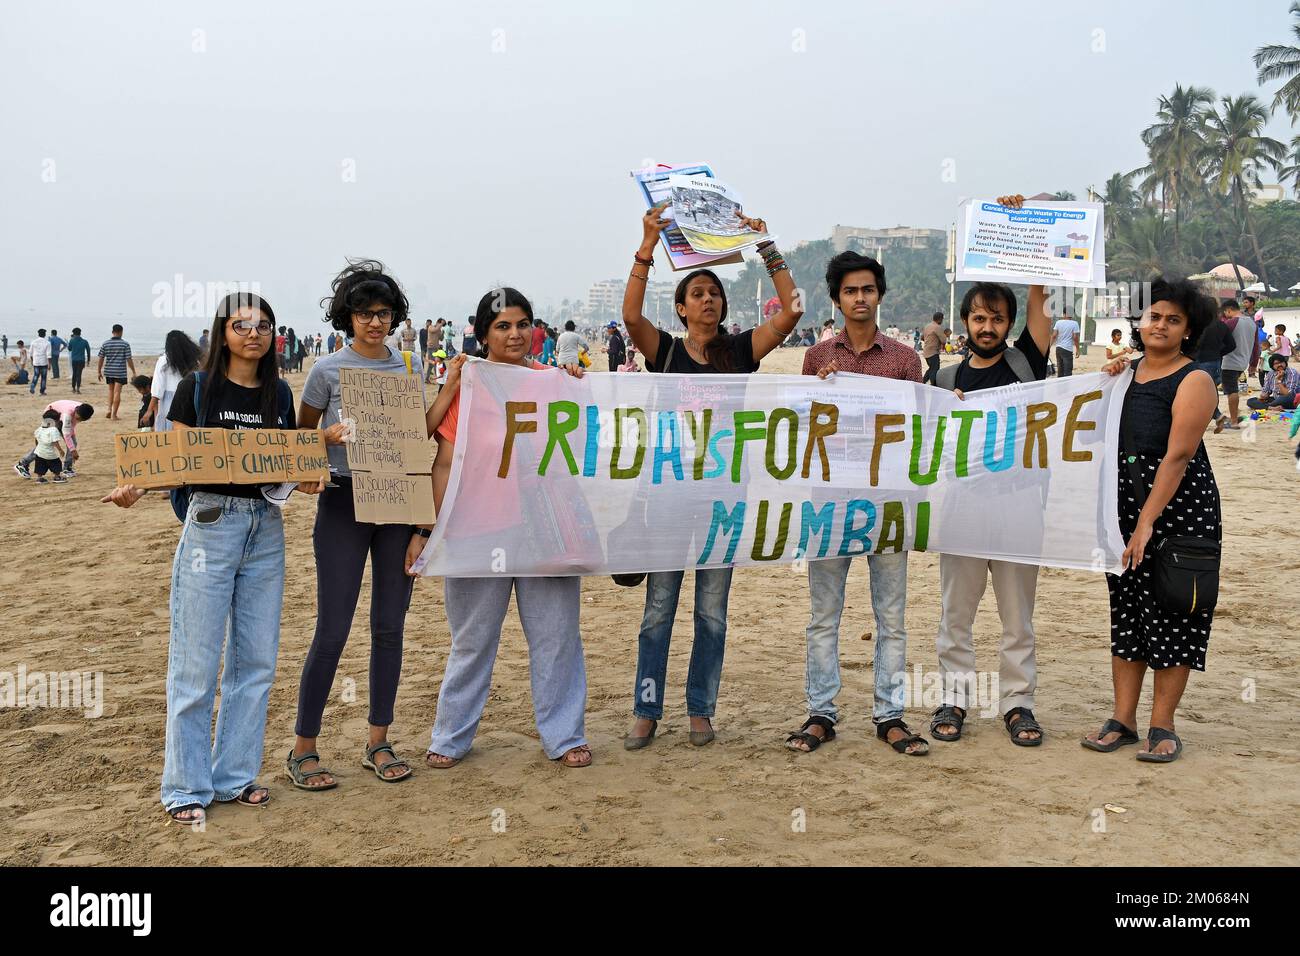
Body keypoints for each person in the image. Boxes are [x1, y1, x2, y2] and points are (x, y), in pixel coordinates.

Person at [102, 292, 319, 824]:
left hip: (265, 529)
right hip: (210, 525)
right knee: (195, 663)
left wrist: (308, 475)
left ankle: (234, 776)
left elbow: (281, 464)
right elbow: (173, 462)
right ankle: (185, 786)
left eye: (264, 325)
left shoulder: (279, 392)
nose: (255, 333)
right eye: (242, 324)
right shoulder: (196, 389)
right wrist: (137, 487)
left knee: (256, 662)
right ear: (222, 331)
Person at [621, 201, 803, 749]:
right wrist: (647, 245)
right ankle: (646, 710)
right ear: (680, 308)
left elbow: (792, 311)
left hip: (724, 503)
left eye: (714, 293)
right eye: (697, 293)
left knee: (712, 615)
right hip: (667, 504)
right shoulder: (668, 354)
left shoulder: (740, 352)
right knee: (658, 612)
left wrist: (767, 245)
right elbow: (631, 319)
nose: (708, 299)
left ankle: (700, 709)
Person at [408, 287, 592, 769]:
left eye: (522, 323)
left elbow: (588, 447)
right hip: (477, 529)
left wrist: (577, 381)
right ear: (483, 334)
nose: (515, 334)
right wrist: (428, 531)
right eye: (502, 326)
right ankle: (450, 736)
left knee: (557, 637)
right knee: (472, 640)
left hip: (546, 529)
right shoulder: (469, 385)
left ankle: (564, 734)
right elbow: (444, 463)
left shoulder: (555, 382)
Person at [287, 261, 424, 792]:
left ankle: (378, 740)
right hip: (343, 504)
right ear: (348, 316)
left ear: (395, 317)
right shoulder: (326, 370)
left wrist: (453, 379)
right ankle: (304, 749)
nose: (375, 322)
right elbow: (301, 439)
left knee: (390, 626)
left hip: (397, 506)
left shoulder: (408, 368)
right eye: (365, 313)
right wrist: (328, 442)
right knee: (333, 628)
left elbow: (420, 434)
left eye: (384, 313)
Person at [786, 251, 927, 757]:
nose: (860, 298)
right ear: (838, 299)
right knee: (824, 614)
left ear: (879, 295)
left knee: (891, 617)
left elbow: (922, 427)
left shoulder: (906, 360)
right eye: (850, 291)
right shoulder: (816, 359)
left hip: (888, 500)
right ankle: (821, 712)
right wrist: (815, 393)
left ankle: (889, 715)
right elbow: (800, 429)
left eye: (868, 289)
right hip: (829, 498)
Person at [930, 194, 1053, 748]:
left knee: (1016, 617)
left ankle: (1017, 704)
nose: (988, 325)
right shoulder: (943, 377)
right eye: (978, 317)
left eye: (996, 318)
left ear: (1008, 323)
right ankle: (954, 699)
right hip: (962, 509)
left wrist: (1023, 226)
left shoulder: (1027, 361)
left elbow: (1039, 304)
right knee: (956, 614)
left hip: (1020, 506)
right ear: (965, 322)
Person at [1083, 278, 1219, 763]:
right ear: (1140, 321)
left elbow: (1178, 456)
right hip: (1123, 508)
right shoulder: (1121, 375)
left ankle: (1163, 726)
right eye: (1154, 316)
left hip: (1180, 513)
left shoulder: (1196, 379)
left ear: (1188, 330)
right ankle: (1122, 719)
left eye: (1173, 319)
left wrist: (1145, 524)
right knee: (1127, 613)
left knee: (1176, 610)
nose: (1161, 325)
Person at [14, 400, 94, 479]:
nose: (79, 420)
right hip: (51, 416)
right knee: (45, 445)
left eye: (82, 420)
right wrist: (73, 450)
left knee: (72, 442)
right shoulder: (67, 414)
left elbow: (71, 425)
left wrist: (72, 447)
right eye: (78, 418)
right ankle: (22, 464)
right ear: (76, 411)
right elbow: (66, 434)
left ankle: (67, 468)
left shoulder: (84, 410)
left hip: (61, 417)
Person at [148, 331, 203, 433]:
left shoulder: (164, 360)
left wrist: (149, 410)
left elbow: (157, 389)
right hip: (190, 397)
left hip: (169, 402)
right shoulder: (194, 360)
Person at [1190, 307, 1234, 433]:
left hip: (1200, 361)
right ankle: (1215, 416)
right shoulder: (1222, 325)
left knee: (1200, 393)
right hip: (1216, 363)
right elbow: (1232, 345)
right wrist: (1219, 354)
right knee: (1210, 392)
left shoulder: (1198, 325)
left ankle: (1217, 416)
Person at [1219, 299, 1254, 430]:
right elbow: (1255, 345)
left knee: (1231, 391)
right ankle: (1234, 414)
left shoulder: (1232, 322)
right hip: (1243, 362)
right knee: (1232, 389)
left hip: (1230, 361)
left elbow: (1220, 335)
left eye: (1225, 313)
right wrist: (1253, 364)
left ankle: (1233, 421)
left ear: (1229, 310)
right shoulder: (1251, 322)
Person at [97, 324, 135, 420]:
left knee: (110, 390)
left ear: (112, 332)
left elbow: (101, 358)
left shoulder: (105, 343)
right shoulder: (125, 344)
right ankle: (114, 415)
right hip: (120, 371)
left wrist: (99, 371)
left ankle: (109, 409)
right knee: (117, 392)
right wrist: (133, 371)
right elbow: (129, 359)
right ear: (121, 332)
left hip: (109, 371)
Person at [29, 412, 69, 484]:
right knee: (56, 463)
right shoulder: (54, 430)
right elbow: (55, 442)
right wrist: (60, 450)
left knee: (40, 464)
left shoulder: (39, 429)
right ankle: (57, 477)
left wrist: (38, 447)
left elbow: (36, 438)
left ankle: (39, 478)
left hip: (40, 452)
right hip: (49, 453)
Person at [1052, 309, 1080, 377]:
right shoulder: (1074, 323)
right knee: (1068, 372)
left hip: (1058, 348)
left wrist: (1049, 346)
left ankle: (1060, 386)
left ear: (1064, 314)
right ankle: (1066, 387)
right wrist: (1078, 349)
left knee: (1060, 370)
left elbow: (1054, 336)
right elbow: (1075, 338)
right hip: (1067, 349)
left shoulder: (1058, 322)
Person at [921, 312, 945, 385]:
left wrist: (929, 341)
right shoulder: (937, 327)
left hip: (926, 352)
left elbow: (922, 337)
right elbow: (943, 340)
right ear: (940, 319)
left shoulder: (927, 326)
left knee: (931, 368)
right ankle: (934, 385)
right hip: (933, 352)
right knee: (935, 370)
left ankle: (922, 382)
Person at [67, 327, 90, 394]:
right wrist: (88, 360)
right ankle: (78, 389)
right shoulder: (85, 341)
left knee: (74, 373)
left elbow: (69, 349)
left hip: (74, 360)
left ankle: (73, 388)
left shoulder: (72, 340)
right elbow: (88, 351)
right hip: (81, 360)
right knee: (79, 374)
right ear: (80, 333)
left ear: (73, 334)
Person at [29, 327, 50, 396]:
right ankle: (42, 391)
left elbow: (30, 353)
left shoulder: (33, 342)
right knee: (43, 377)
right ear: (44, 334)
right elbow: (48, 354)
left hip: (36, 361)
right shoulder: (47, 343)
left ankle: (32, 386)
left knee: (36, 375)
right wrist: (49, 364)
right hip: (44, 362)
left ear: (38, 334)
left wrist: (32, 361)